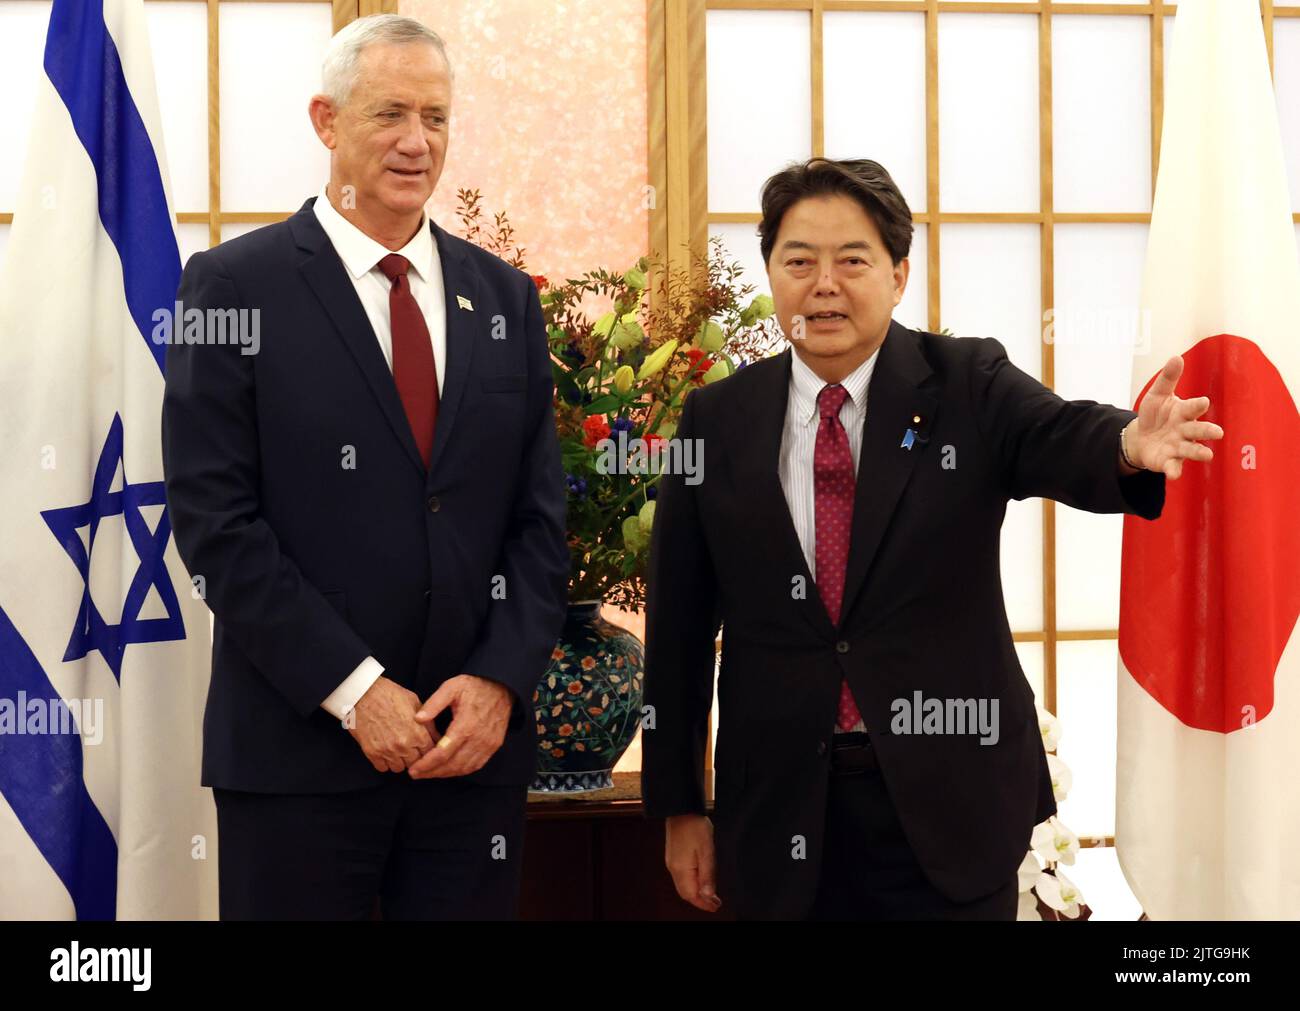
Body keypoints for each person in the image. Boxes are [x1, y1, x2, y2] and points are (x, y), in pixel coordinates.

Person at [641, 157, 1223, 921]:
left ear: (899, 273)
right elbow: (680, 628)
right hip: (780, 813)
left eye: (853, 260)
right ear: (772, 273)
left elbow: (1056, 433)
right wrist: (682, 805)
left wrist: (1124, 443)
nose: (824, 284)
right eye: (799, 261)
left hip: (947, 808)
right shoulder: (717, 419)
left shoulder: (966, 383)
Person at [161, 14, 568, 920]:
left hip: (470, 760)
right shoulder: (230, 288)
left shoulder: (503, 296)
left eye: (436, 116)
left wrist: (503, 678)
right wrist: (357, 693)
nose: (417, 142)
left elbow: (540, 518)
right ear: (326, 120)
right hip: (297, 760)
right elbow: (214, 523)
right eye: (389, 113)